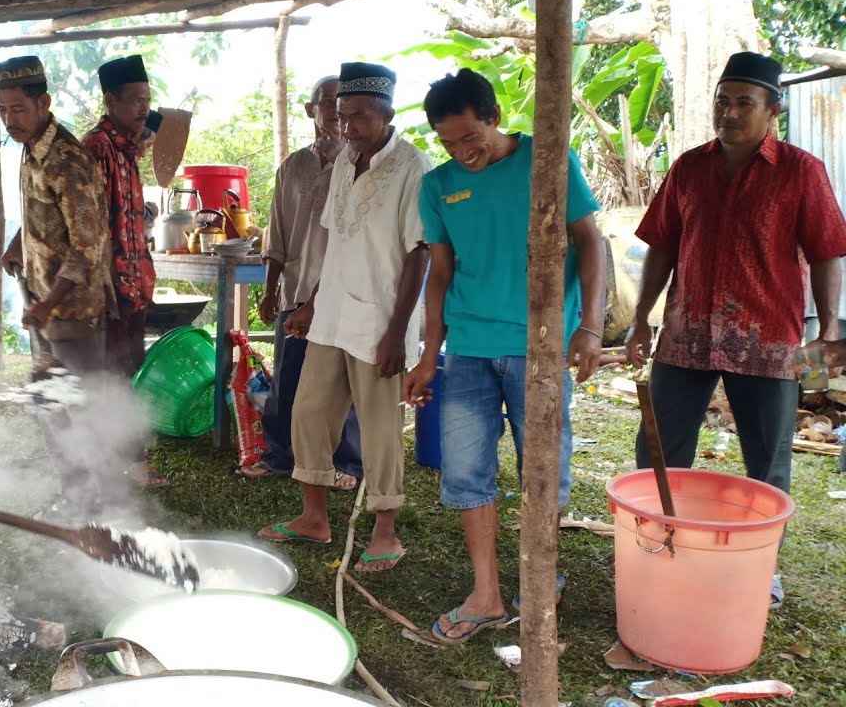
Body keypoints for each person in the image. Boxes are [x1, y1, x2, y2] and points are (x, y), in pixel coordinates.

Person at [626, 51, 846, 608]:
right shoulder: (689, 168)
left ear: (773, 108)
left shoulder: (802, 171)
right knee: (657, 447)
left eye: (744, 102)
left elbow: (826, 254)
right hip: (685, 334)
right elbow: (662, 247)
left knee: (768, 459)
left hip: (770, 340)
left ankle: (759, 568)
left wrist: (825, 336)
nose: (728, 112)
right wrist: (638, 321)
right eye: (722, 101)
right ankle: (657, 543)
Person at [402, 68, 607, 644]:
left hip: (538, 351)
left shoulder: (545, 160)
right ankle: (486, 594)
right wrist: (427, 355)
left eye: (472, 138)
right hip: (467, 351)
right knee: (467, 474)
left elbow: (591, 241)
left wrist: (590, 327)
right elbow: (440, 275)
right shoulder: (438, 186)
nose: (463, 152)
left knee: (545, 471)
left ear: (494, 117)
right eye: (449, 143)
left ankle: (542, 574)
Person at [258, 63, 432, 574]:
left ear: (387, 114)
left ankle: (385, 532)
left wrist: (399, 333)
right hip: (332, 313)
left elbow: (419, 253)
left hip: (381, 320)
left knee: (379, 429)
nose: (347, 126)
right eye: (341, 116)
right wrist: (311, 302)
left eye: (357, 116)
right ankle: (315, 518)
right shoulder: (342, 164)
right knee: (308, 412)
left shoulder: (412, 167)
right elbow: (335, 240)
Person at [245, 75, 363, 490]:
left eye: (340, 101)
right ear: (309, 110)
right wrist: (269, 287)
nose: (333, 109)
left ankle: (347, 464)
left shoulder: (358, 165)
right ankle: (279, 456)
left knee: (342, 385)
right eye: (325, 101)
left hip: (342, 295)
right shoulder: (292, 167)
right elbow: (276, 235)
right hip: (296, 293)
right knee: (287, 380)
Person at [0, 56, 113, 376]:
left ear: (43, 102)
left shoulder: (68, 162)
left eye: (17, 109)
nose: (9, 119)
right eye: (2, 109)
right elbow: (42, 212)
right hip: (44, 305)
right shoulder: (31, 147)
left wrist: (48, 304)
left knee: (83, 414)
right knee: (53, 405)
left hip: (74, 312)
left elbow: (87, 248)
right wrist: (18, 244)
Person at [83, 55, 167, 487]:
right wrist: (105, 290)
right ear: (111, 101)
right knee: (113, 377)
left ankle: (124, 464)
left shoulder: (126, 150)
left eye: (146, 101)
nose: (143, 109)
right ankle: (123, 467)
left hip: (133, 284)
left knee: (124, 372)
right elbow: (90, 226)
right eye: (135, 101)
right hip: (112, 287)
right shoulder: (97, 148)